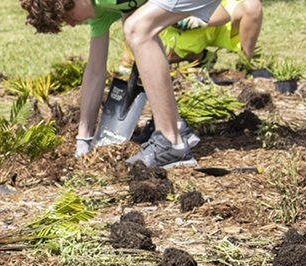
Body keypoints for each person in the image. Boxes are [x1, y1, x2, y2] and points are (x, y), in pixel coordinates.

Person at [21, 0, 221, 169]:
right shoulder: (101, 9)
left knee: (138, 28)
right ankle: (176, 128)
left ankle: (171, 142)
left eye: (67, 15)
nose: (72, 24)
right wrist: (84, 139)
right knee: (137, 24)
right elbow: (95, 71)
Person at [160, 0, 263, 65]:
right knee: (156, 55)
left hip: (218, 25)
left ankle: (245, 65)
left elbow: (223, 16)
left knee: (252, 6)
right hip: (183, 35)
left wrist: (195, 22)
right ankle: (202, 56)